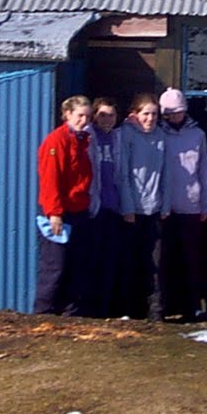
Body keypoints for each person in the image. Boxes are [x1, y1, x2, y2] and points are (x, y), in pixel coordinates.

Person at [35, 95, 93, 316]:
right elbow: (50, 180)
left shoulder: (83, 140)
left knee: (75, 265)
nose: (83, 120)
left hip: (78, 209)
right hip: (59, 212)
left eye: (87, 116)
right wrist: (54, 213)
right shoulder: (56, 141)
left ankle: (70, 313)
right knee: (54, 266)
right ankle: (43, 312)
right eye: (80, 116)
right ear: (68, 114)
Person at [158, 87, 207, 321]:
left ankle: (191, 306)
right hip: (165, 207)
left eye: (179, 112)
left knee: (192, 258)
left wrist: (204, 204)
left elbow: (204, 172)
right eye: (171, 112)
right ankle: (167, 305)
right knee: (166, 259)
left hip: (191, 204)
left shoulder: (197, 135)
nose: (176, 116)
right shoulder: (159, 134)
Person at [116, 92, 167, 321]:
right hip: (132, 210)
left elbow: (166, 173)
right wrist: (127, 207)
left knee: (154, 262)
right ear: (135, 115)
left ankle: (155, 309)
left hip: (153, 208)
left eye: (154, 114)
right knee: (129, 260)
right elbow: (122, 174)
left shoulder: (160, 136)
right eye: (146, 113)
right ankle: (128, 308)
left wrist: (164, 204)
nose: (150, 119)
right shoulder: (125, 135)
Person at [86, 96, 124, 316]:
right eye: (103, 115)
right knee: (93, 258)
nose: (107, 119)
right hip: (94, 207)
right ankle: (91, 306)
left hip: (113, 206)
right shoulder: (90, 137)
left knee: (111, 259)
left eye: (111, 115)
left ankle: (106, 306)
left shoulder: (117, 138)